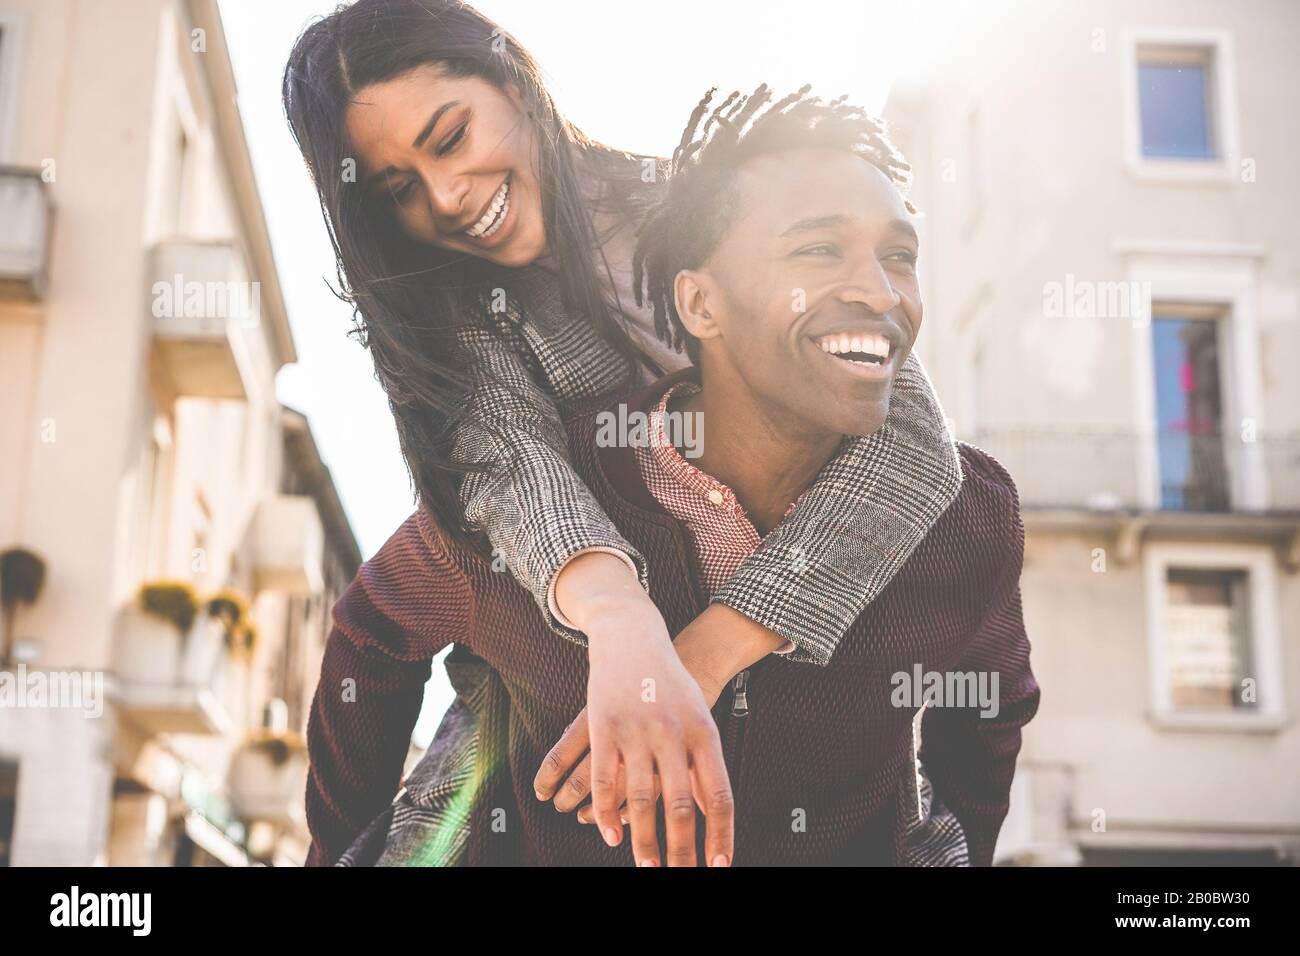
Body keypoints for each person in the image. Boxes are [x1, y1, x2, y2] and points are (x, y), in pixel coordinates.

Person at [285, 0, 963, 865]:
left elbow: (911, 447)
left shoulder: (721, 205)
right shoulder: (464, 324)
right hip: (545, 716)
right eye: (399, 190)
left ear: (513, 84)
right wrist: (620, 628)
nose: (448, 197)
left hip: (813, 680)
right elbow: (515, 473)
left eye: (450, 138)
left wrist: (693, 665)